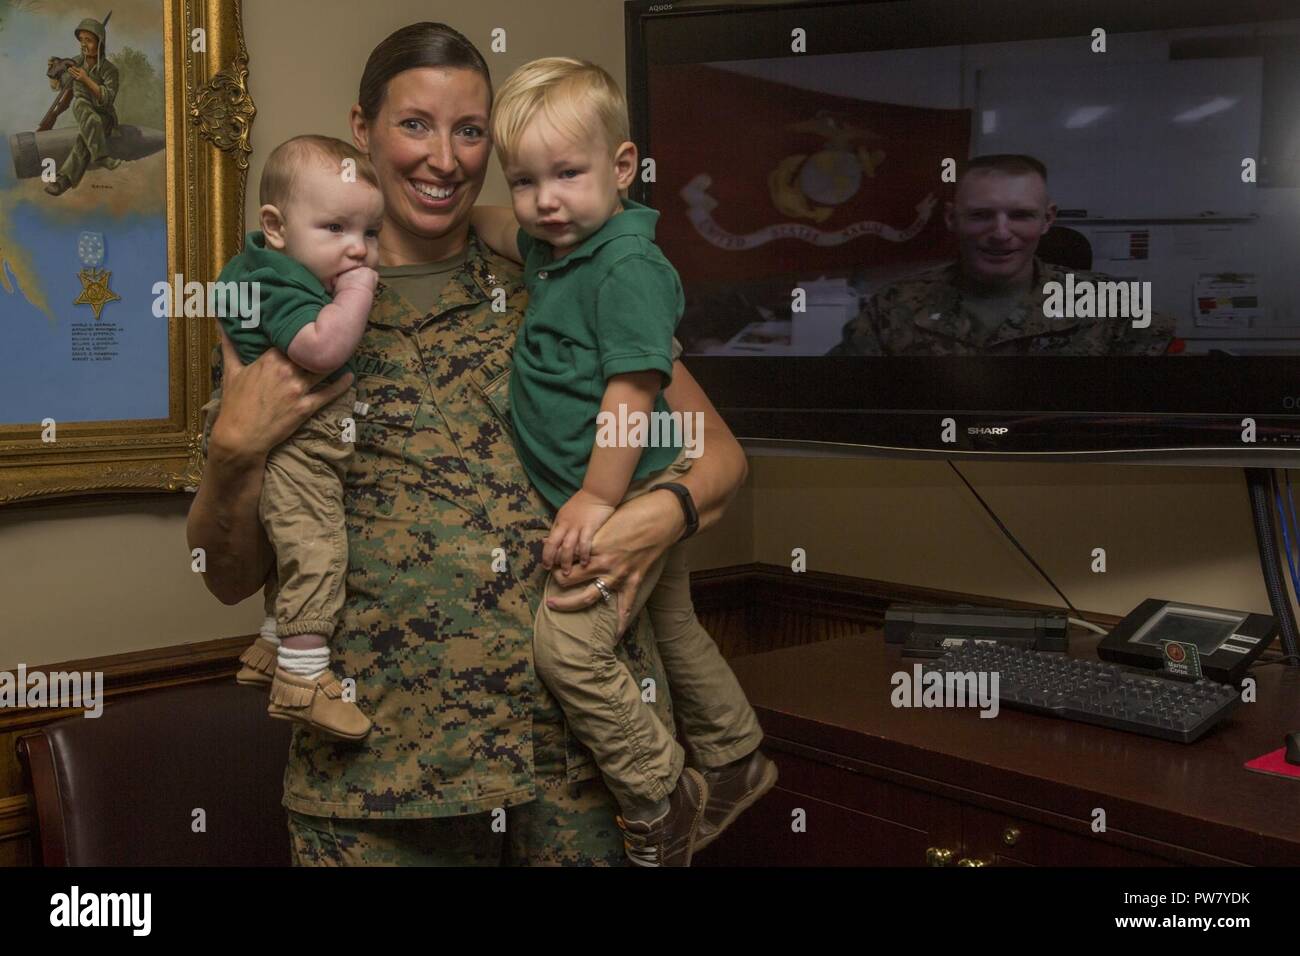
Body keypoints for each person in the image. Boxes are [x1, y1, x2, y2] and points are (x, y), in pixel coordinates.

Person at [187, 22, 760, 866]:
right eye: (415, 124)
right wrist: (234, 451)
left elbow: (718, 455)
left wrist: (660, 515)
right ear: (362, 130)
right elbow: (227, 580)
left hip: (586, 781)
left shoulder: (561, 274)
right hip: (383, 786)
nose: (445, 159)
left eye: (468, 132)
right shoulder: (291, 313)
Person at [471, 58, 773, 866]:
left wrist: (596, 501)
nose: (546, 201)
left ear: (624, 167)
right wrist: (470, 210)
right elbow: (505, 225)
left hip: (631, 487)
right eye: (527, 181)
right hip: (637, 489)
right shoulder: (555, 243)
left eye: (568, 174)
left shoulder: (628, 268)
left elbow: (632, 395)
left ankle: (659, 793)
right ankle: (738, 755)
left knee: (567, 647)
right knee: (672, 623)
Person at [213, 135, 384, 741]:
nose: (358, 249)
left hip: (289, 441)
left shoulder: (259, 268)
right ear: (276, 228)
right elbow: (321, 348)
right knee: (317, 549)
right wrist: (358, 291)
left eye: (370, 232)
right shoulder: (281, 282)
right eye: (336, 227)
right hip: (294, 442)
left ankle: (267, 648)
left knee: (291, 547)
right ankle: (303, 680)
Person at [829, 154, 1177, 355]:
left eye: (1021, 215)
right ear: (952, 218)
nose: (999, 233)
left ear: (1047, 219)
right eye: (981, 215)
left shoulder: (1115, 306)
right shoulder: (893, 306)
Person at [44, 16, 121, 197]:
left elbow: (108, 98)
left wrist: (86, 79)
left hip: (104, 116)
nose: (84, 44)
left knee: (87, 131)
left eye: (89, 40)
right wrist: (53, 72)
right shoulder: (74, 62)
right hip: (83, 108)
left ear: (100, 43)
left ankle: (64, 180)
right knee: (81, 105)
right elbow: (56, 87)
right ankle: (101, 157)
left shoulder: (110, 70)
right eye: (81, 40)